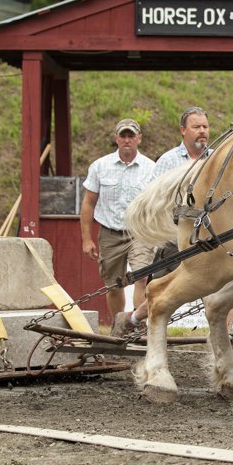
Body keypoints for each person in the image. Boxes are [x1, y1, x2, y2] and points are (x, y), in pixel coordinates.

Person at [120, 106, 215, 334]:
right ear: (183, 130)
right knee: (161, 291)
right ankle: (132, 319)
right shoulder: (169, 160)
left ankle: (227, 339)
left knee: (220, 290)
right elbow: (153, 201)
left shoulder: (216, 160)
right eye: (196, 127)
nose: (202, 131)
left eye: (205, 126)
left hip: (208, 237)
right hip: (174, 240)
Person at [79, 118, 156, 336]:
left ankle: (136, 325)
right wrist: (86, 238)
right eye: (123, 135)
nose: (127, 140)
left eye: (131, 135)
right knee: (114, 284)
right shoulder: (100, 166)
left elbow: (156, 204)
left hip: (140, 231)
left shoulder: (151, 168)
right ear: (116, 139)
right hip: (110, 232)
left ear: (139, 138)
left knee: (142, 277)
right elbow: (88, 203)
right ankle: (118, 323)